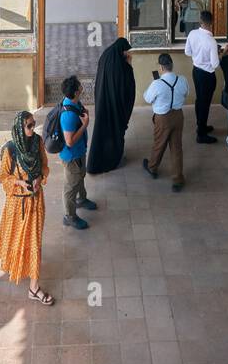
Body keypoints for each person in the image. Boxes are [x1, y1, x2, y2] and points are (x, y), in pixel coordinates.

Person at [0, 111, 53, 305]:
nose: (32, 128)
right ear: (20, 128)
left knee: (35, 243)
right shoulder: (11, 150)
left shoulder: (37, 142)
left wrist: (38, 179)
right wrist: (20, 182)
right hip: (17, 204)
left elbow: (44, 165)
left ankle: (34, 288)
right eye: (29, 125)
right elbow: (3, 177)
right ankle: (20, 267)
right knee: (18, 240)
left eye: (34, 124)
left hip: (35, 202)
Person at [87, 37, 135, 175]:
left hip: (103, 101)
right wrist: (129, 65)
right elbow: (128, 86)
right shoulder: (121, 65)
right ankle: (113, 159)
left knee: (102, 131)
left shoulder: (106, 55)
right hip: (115, 107)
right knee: (115, 131)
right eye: (126, 51)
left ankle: (97, 161)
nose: (127, 53)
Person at [142, 53, 188, 192]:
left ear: (161, 67)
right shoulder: (182, 80)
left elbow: (147, 99)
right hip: (178, 116)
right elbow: (185, 93)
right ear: (172, 65)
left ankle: (152, 167)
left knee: (159, 143)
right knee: (176, 147)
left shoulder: (157, 83)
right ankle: (177, 179)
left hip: (163, 117)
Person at [59, 75, 98, 229]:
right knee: (70, 187)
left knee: (80, 175)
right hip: (71, 156)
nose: (82, 86)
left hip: (79, 152)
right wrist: (85, 125)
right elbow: (69, 141)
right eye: (79, 86)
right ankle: (69, 216)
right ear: (75, 92)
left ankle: (82, 199)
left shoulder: (74, 102)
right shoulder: (68, 115)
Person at [186, 9, 219, 144]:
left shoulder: (192, 34)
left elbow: (188, 52)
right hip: (207, 75)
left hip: (196, 72)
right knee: (205, 103)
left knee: (200, 100)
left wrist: (198, 56)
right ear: (212, 23)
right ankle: (201, 134)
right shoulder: (211, 41)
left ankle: (201, 125)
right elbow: (215, 64)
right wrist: (221, 54)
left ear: (200, 21)